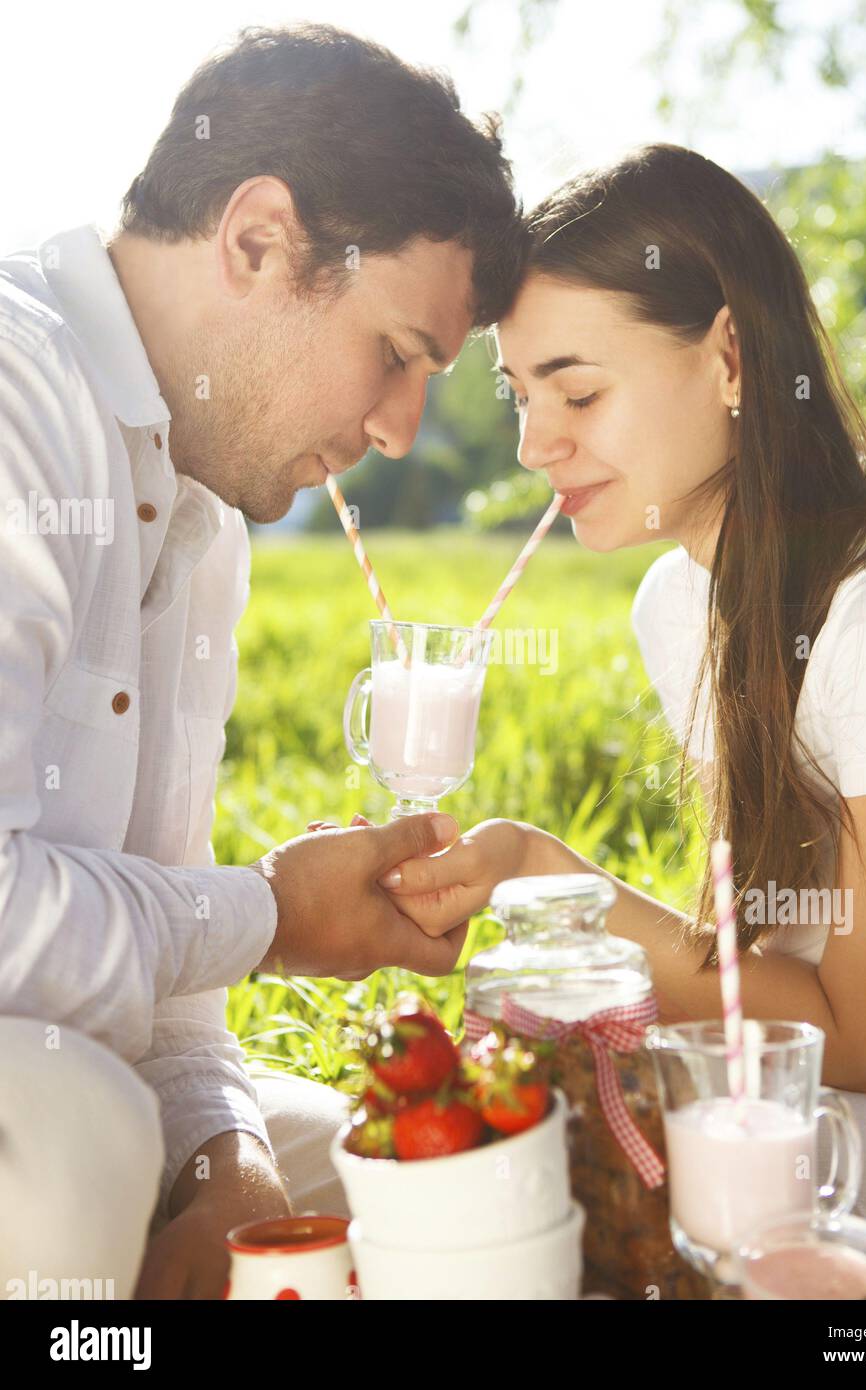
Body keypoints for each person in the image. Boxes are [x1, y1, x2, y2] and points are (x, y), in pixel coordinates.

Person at [381, 144, 866, 1270]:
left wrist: (559, 884)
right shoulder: (681, 600)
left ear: (730, 357)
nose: (537, 445)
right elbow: (756, 962)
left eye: (579, 391)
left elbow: (863, 1047)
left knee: (614, 1151)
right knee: (542, 1114)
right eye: (522, 398)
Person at [0, 23, 524, 1299]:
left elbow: (160, 930)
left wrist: (220, 1153)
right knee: (80, 1148)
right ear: (256, 240)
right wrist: (277, 916)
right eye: (398, 354)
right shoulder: (20, 399)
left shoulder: (204, 519)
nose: (402, 432)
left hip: (79, 1067)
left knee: (435, 1185)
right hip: (53, 1111)